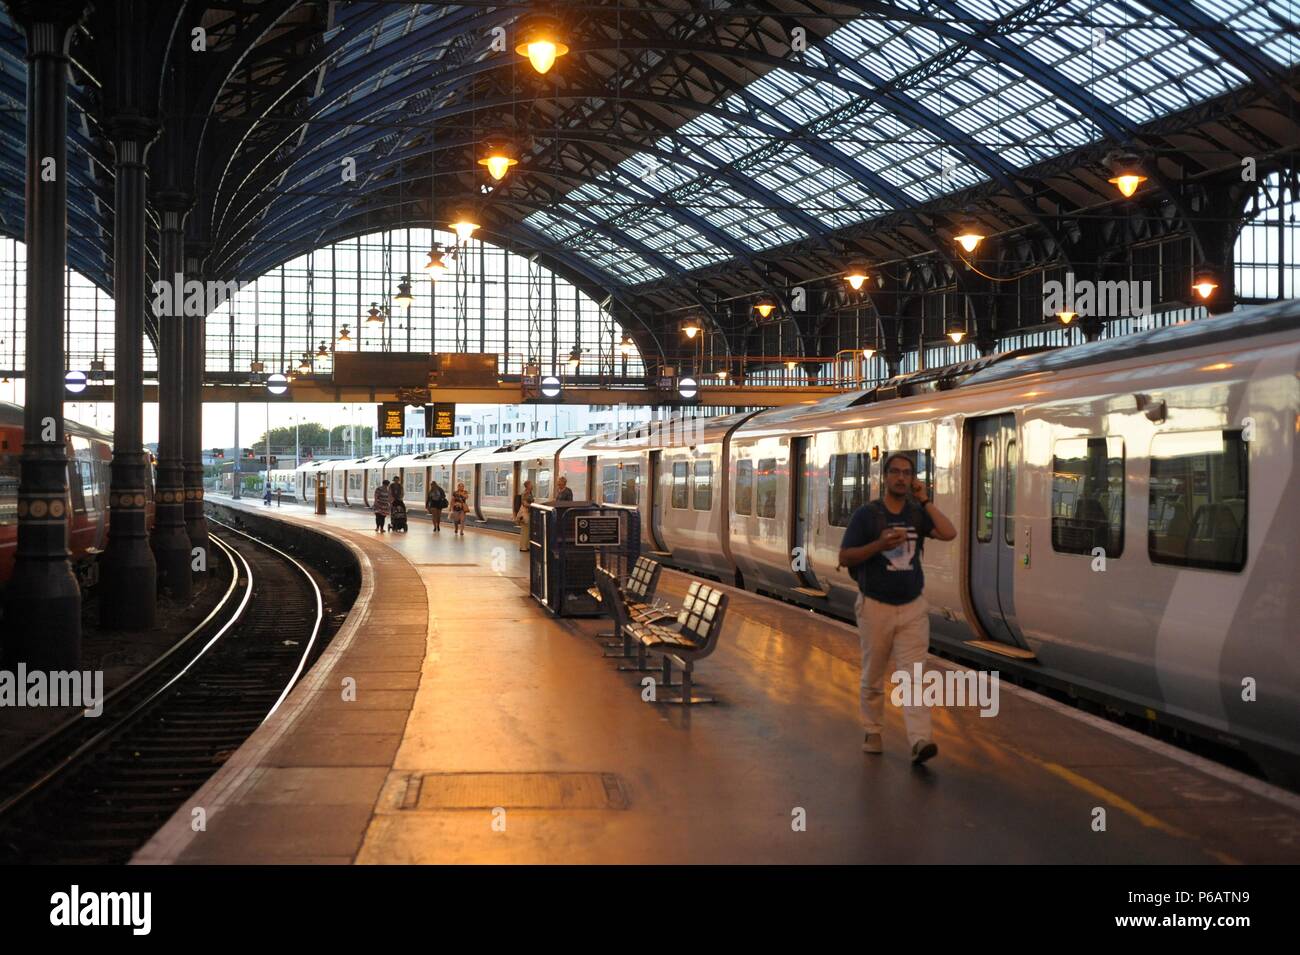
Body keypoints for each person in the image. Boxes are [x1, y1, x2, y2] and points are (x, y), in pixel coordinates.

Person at [838, 452, 957, 765]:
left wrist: (927, 500)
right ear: (885, 477)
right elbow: (845, 556)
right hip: (875, 605)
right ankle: (872, 730)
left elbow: (949, 532)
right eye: (896, 472)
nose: (902, 478)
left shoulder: (917, 514)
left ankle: (920, 740)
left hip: (912, 606)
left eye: (907, 473)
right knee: (873, 675)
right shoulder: (867, 515)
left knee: (914, 677)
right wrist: (880, 545)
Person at [516, 479, 534, 552]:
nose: (532, 485)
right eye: (531, 484)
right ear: (528, 486)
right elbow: (524, 503)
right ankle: (523, 547)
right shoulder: (526, 493)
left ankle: (526, 546)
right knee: (525, 531)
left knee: (527, 530)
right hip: (525, 513)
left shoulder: (529, 492)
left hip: (528, 512)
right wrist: (532, 505)